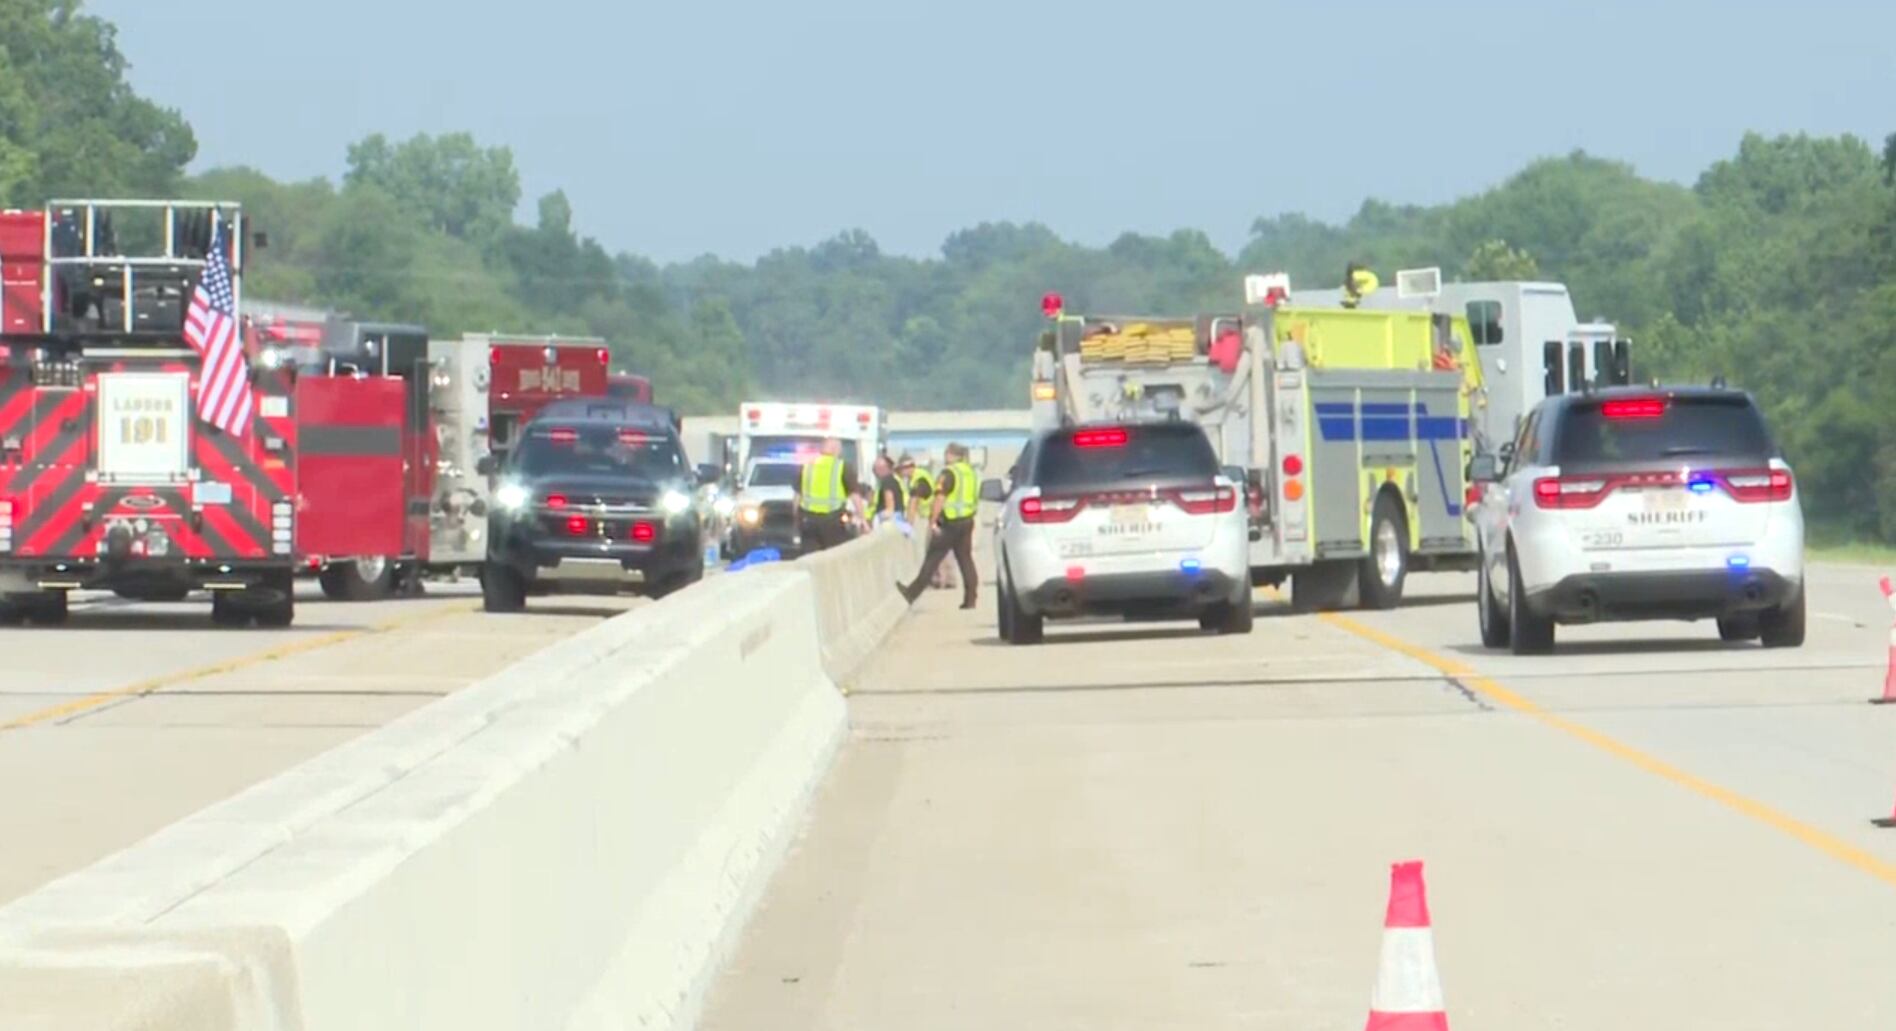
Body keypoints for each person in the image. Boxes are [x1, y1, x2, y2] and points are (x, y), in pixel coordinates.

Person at [898, 442, 980, 609]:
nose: (944, 457)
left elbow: (940, 498)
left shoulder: (948, 473)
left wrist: (932, 521)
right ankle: (970, 599)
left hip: (949, 523)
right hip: (967, 520)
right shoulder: (970, 472)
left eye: (946, 453)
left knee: (932, 558)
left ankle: (911, 593)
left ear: (951, 454)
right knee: (966, 559)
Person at [797, 437, 857, 552]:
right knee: (835, 554)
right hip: (833, 519)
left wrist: (797, 518)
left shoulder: (807, 466)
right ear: (836, 449)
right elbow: (855, 495)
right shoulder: (842, 466)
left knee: (810, 554)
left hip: (809, 519)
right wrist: (862, 518)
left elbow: (797, 497)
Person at [871, 453, 904, 526]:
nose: (874, 472)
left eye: (875, 468)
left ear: (882, 468)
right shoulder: (893, 480)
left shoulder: (887, 482)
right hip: (898, 518)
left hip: (889, 521)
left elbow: (890, 507)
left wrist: (879, 518)